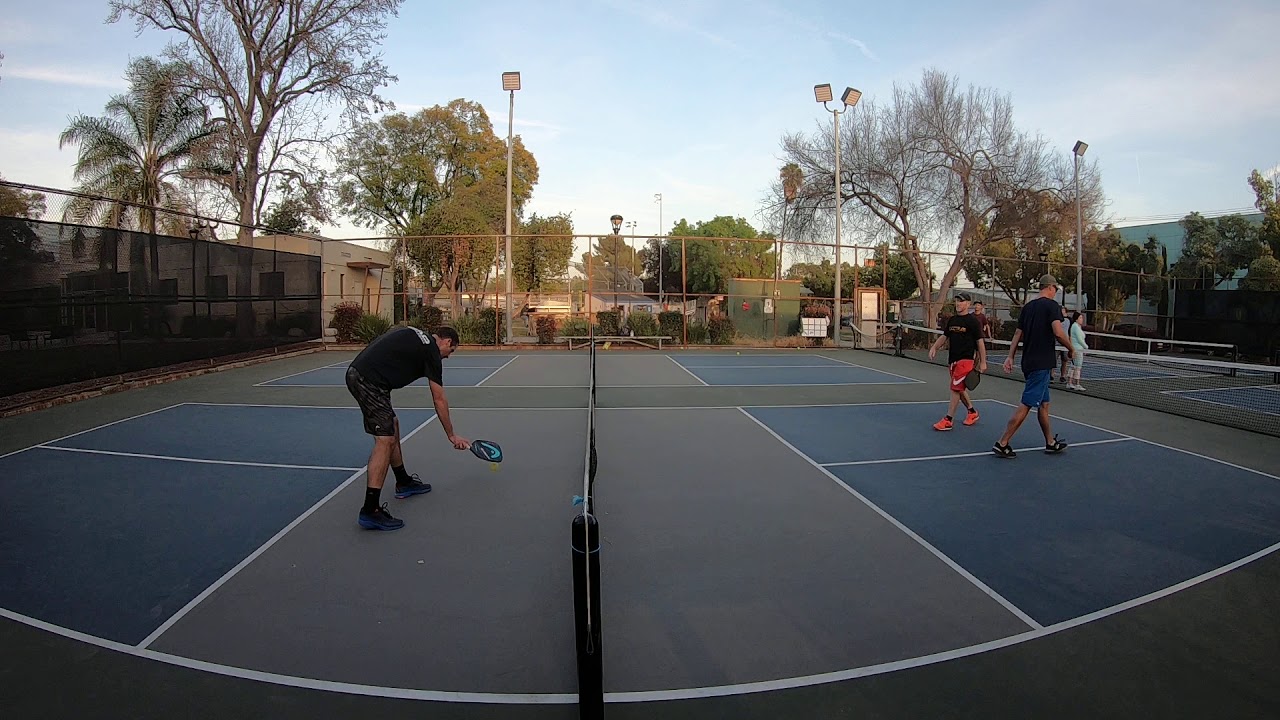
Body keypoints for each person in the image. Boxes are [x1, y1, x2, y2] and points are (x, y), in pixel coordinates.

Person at [345, 325, 471, 531]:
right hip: (367, 381)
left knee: (392, 425)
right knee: (384, 440)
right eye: (451, 351)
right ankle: (370, 510)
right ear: (447, 342)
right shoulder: (431, 350)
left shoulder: (417, 335)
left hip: (370, 379)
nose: (448, 357)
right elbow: (439, 398)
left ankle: (403, 482)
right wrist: (451, 435)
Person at [993, 275, 1074, 458]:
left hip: (1029, 362)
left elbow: (1017, 334)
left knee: (1044, 404)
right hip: (1041, 363)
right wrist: (1072, 349)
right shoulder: (1052, 306)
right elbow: (1059, 333)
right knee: (1027, 404)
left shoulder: (1028, 307)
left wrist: (1010, 356)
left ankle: (1050, 442)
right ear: (1051, 287)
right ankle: (1002, 442)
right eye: (1055, 290)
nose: (1055, 293)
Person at [928, 293, 988, 430]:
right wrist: (934, 347)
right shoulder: (952, 320)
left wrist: (983, 361)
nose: (958, 304)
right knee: (959, 389)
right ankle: (972, 412)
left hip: (966, 360)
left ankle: (948, 420)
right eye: (957, 301)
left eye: (961, 302)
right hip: (953, 360)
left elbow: (980, 342)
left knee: (955, 389)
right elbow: (944, 336)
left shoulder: (973, 321)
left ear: (968, 304)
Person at [1066, 310, 1088, 391]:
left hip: (1078, 349)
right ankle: (1077, 384)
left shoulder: (1077, 327)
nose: (1082, 319)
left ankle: (1070, 383)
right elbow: (1079, 339)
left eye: (1082, 317)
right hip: (1077, 350)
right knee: (1077, 367)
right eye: (1080, 318)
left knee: (1073, 366)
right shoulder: (1075, 327)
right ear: (1076, 319)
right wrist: (1086, 347)